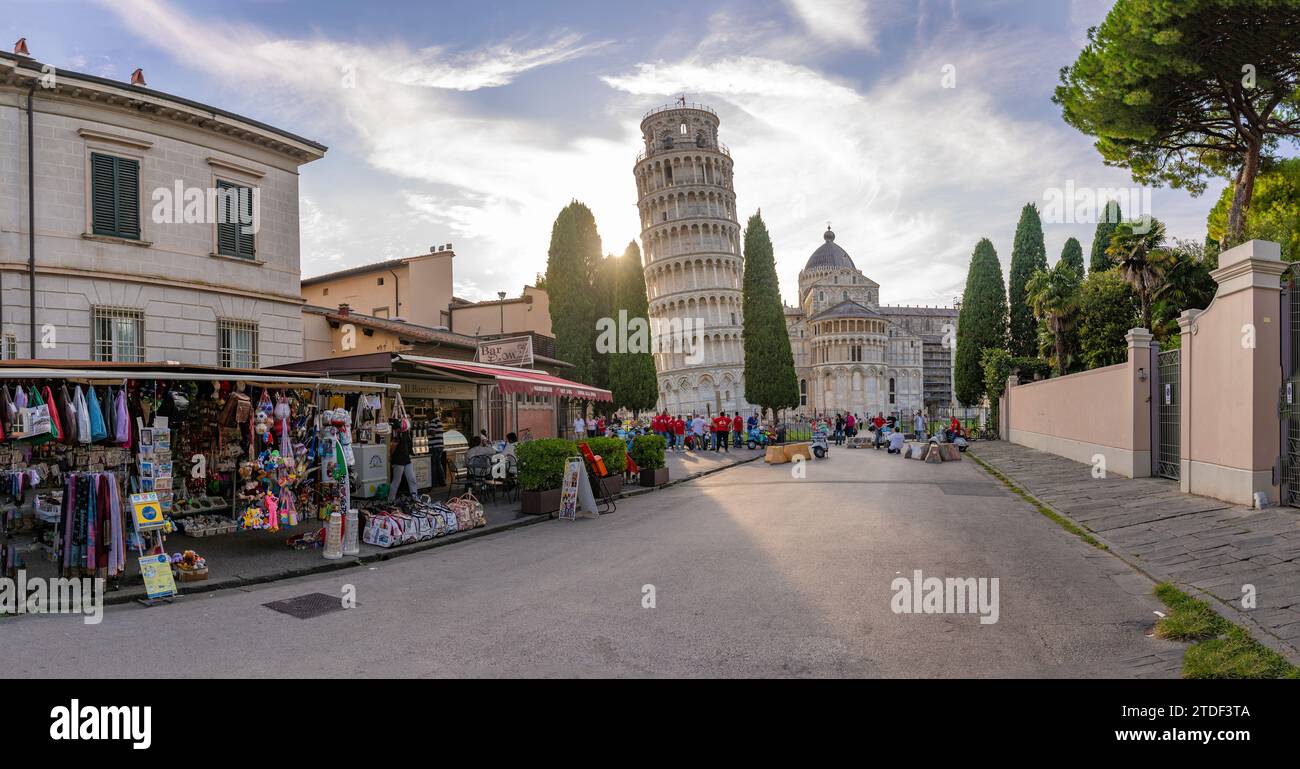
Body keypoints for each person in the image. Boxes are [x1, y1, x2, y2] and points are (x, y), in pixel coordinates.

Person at [387, 419, 417, 501]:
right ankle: (390, 499)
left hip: (404, 459)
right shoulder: (400, 434)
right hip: (400, 460)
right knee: (398, 481)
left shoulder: (401, 434)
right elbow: (393, 447)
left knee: (411, 479)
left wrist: (391, 456)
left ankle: (414, 498)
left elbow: (392, 448)